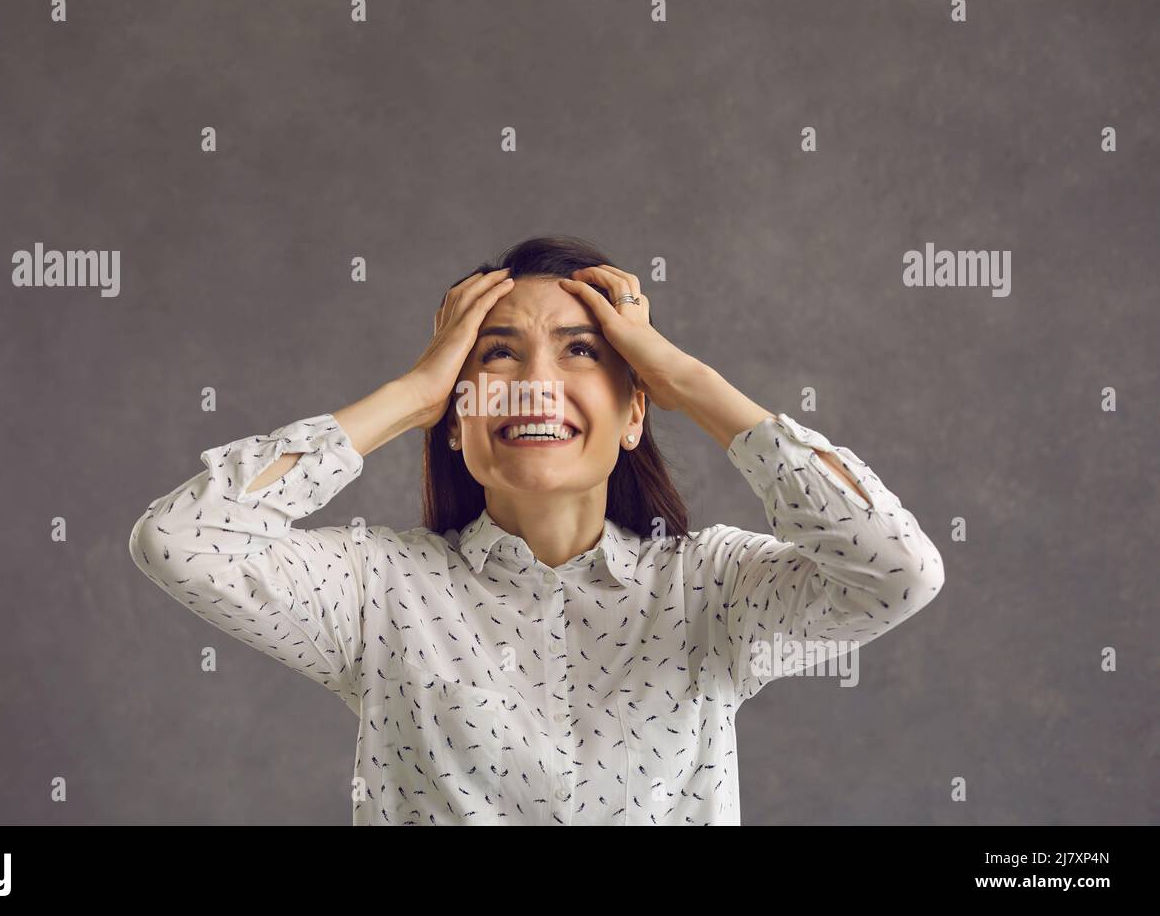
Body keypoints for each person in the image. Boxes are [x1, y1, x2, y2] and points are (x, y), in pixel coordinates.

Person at [128, 235, 945, 825]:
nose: (535, 385)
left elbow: (897, 571)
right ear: (455, 418)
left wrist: (689, 381)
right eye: (497, 356)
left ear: (634, 411)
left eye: (581, 350)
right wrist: (412, 394)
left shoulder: (712, 590)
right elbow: (179, 540)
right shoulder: (380, 590)